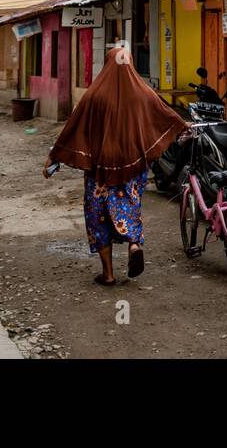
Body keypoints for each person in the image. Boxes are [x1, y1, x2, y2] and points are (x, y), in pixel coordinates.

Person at [43, 46, 187, 286]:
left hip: (99, 167)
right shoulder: (142, 93)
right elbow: (165, 114)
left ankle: (108, 273)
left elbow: (73, 128)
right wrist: (183, 125)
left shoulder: (94, 95)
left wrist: (54, 157)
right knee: (128, 207)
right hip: (132, 164)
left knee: (98, 215)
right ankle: (133, 244)